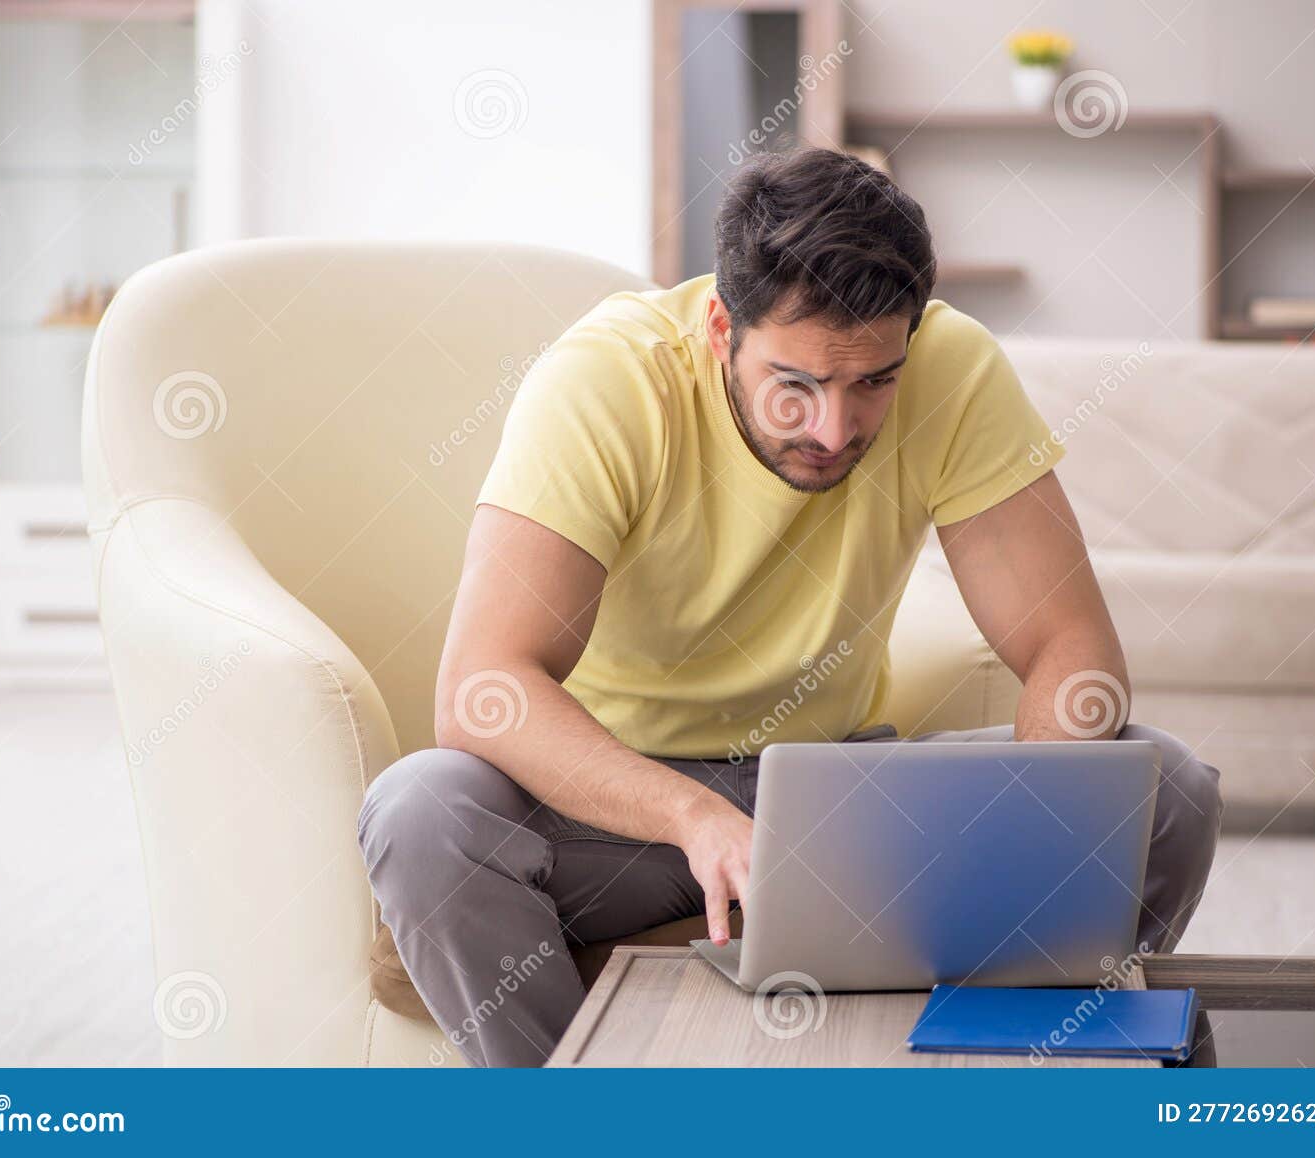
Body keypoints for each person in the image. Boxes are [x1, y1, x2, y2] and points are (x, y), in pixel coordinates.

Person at [359, 146, 1222, 1067]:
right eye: (797, 386)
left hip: (835, 796)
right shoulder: (607, 382)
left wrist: (1033, 831)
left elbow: (1071, 648)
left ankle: (1008, 1072)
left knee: (1165, 790)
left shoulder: (956, 369)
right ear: (721, 326)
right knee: (422, 813)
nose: (835, 429)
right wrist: (694, 817)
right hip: (613, 813)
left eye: (873, 383)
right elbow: (484, 687)